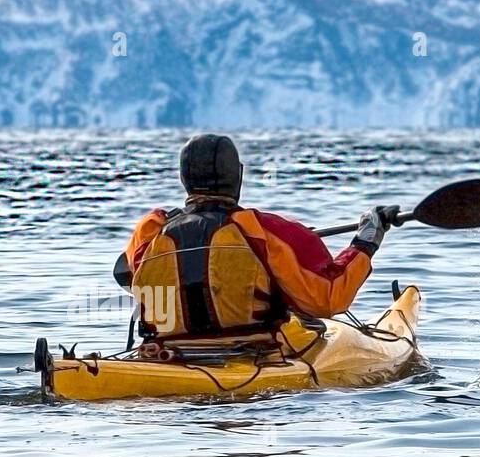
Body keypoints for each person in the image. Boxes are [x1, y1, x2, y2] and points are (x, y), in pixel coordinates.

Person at [113, 133, 398, 343]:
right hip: (255, 354)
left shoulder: (151, 231)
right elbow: (327, 299)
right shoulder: (267, 232)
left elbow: (126, 273)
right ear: (238, 176)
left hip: (165, 354)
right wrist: (366, 241)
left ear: (183, 178)